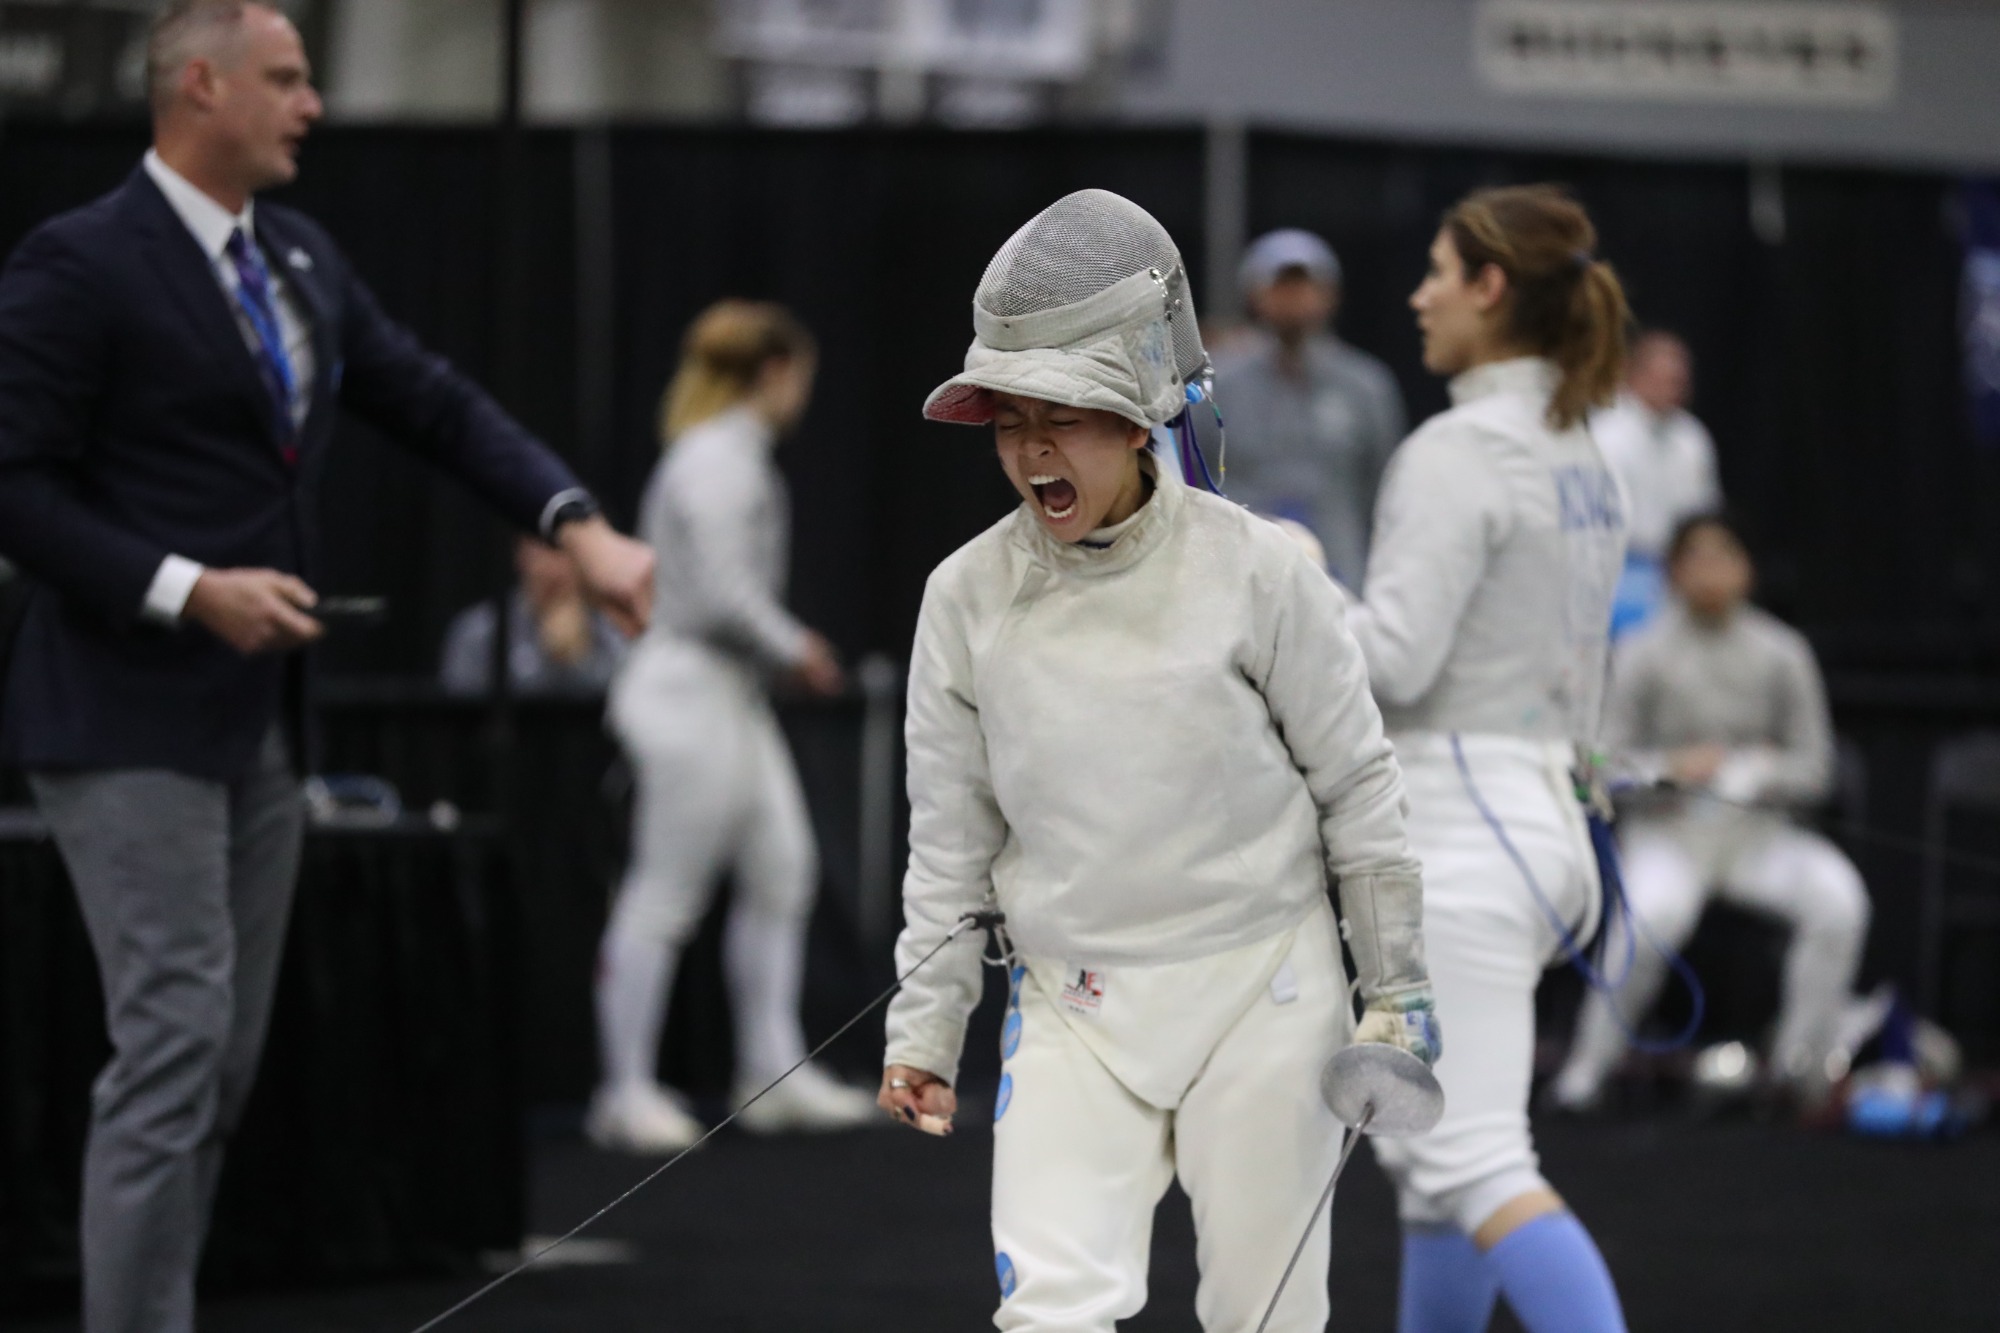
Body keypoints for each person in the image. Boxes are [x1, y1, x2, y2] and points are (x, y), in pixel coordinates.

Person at [0, 5, 654, 1332]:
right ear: (200, 85)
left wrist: (572, 523)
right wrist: (188, 590)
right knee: (177, 1048)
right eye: (288, 80)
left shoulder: (297, 256)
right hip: (124, 715)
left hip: (260, 726)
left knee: (217, 1066)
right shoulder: (79, 262)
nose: (312, 105)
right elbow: (12, 485)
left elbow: (429, 398)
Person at [877, 189, 1437, 1333]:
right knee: (1048, 1315)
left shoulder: (1261, 572)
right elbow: (950, 835)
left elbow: (1356, 785)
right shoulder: (965, 597)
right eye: (1010, 419)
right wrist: (924, 1029)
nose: (1032, 448)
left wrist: (1396, 989)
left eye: (1064, 416)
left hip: (1264, 989)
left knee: (1262, 1316)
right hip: (1075, 998)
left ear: (1137, 419)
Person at [1346, 185, 1632, 1333]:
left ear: (1489, 286)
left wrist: (1287, 581)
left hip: (1462, 841)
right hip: (1546, 830)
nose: (1418, 294)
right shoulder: (1579, 451)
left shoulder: (1459, 448)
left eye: (1435, 271)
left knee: (1470, 1157)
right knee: (1426, 1169)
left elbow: (1394, 663)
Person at [590, 299, 874, 1153]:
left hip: (732, 697)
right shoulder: (717, 459)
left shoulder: (734, 456)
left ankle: (771, 1071)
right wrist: (799, 646)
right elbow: (716, 591)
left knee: (782, 870)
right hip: (686, 691)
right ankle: (625, 1089)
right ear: (776, 372)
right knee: (664, 892)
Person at [1552, 513, 1870, 1113]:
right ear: (1672, 572)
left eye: (1724, 556)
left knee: (1840, 901)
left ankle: (1799, 1072)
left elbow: (1816, 767)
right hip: (1667, 834)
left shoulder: (1784, 653)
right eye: (1694, 558)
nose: (1710, 572)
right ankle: (1586, 1072)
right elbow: (1600, 767)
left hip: (1758, 835)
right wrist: (1673, 766)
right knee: (1651, 918)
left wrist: (1759, 771)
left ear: (1747, 569)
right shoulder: (1641, 654)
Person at [1212, 228, 1408, 589]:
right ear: (1255, 294)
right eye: (1281, 286)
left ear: (1330, 295)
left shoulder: (1366, 386)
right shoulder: (1218, 384)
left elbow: (1386, 491)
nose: (1293, 298)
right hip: (1242, 574)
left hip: (1340, 576)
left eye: (1304, 285)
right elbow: (1197, 478)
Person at [1591, 330, 1720, 638]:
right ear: (1632, 375)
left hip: (1681, 566)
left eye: (1678, 380)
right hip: (1620, 569)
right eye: (1661, 377)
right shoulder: (1606, 435)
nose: (1671, 387)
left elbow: (1706, 513)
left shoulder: (1692, 438)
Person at [439, 535, 627, 695]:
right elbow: (458, 723)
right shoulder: (480, 632)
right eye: (543, 550)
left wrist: (578, 661)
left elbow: (626, 713)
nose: (554, 569)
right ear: (520, 555)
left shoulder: (614, 628)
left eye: (567, 552)